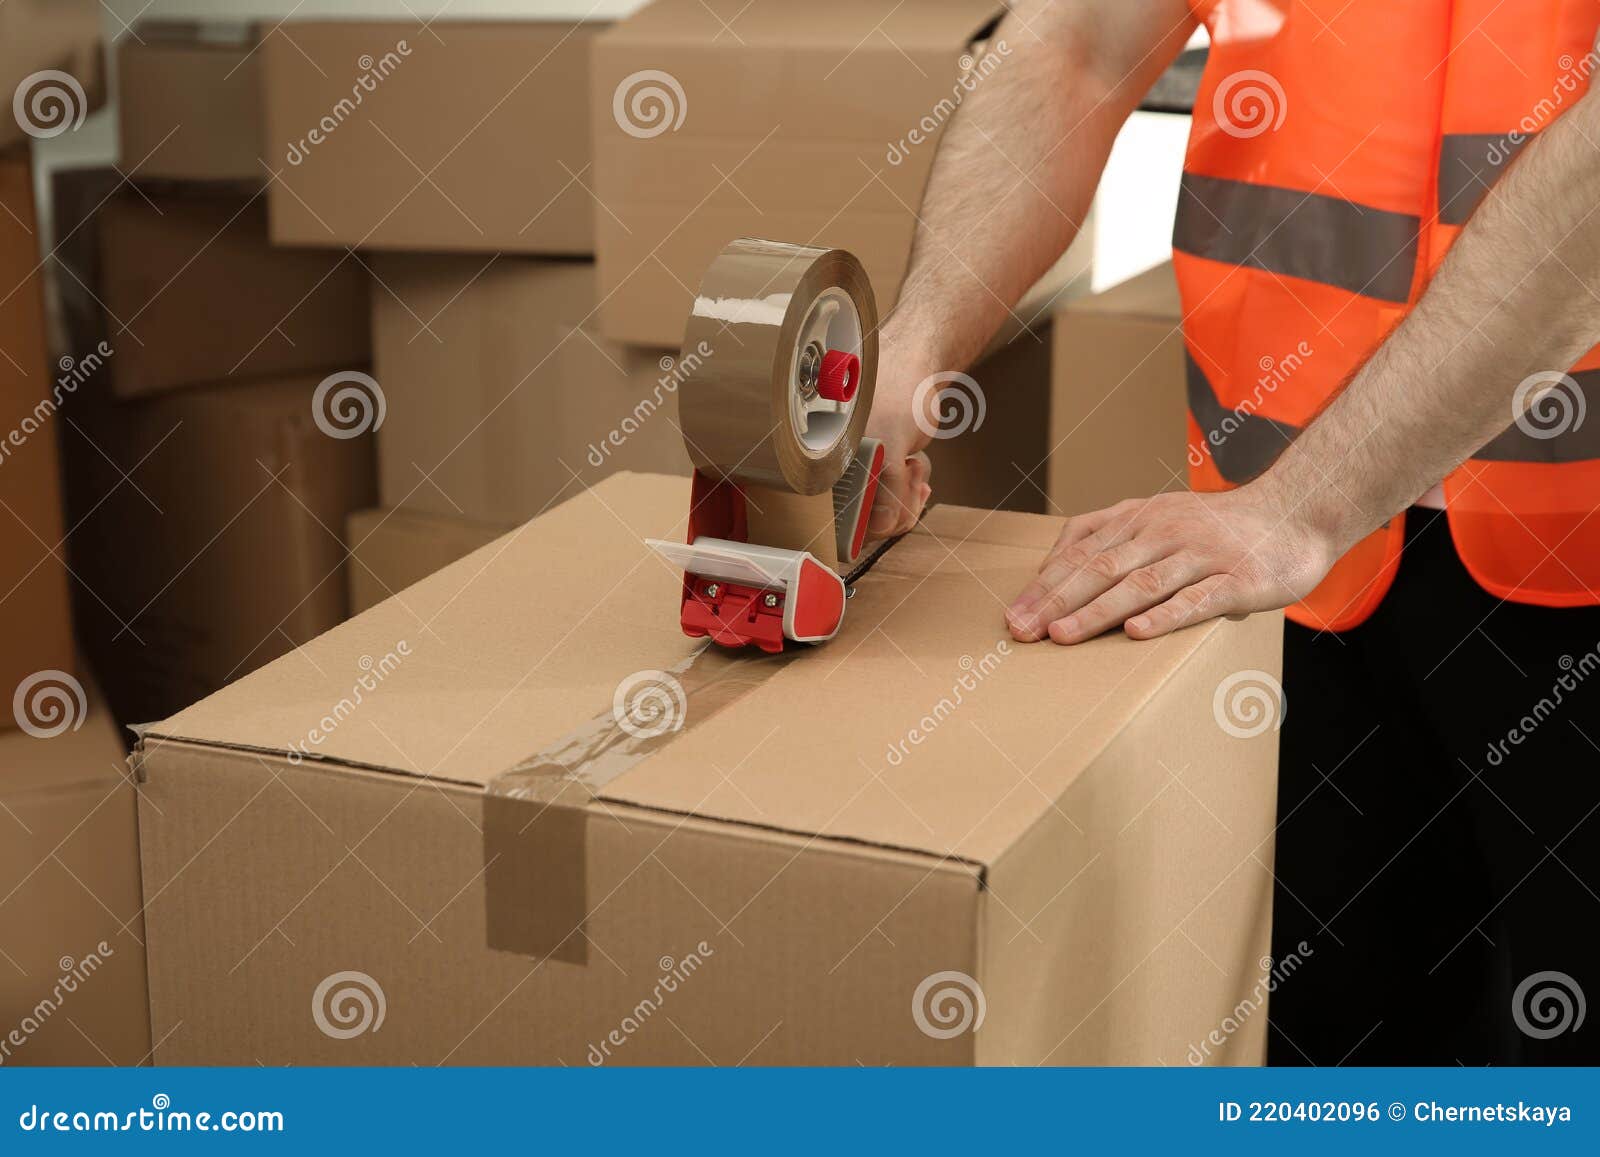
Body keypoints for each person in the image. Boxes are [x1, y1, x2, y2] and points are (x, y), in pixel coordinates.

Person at [865, 0, 1600, 1064]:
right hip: (1295, 567)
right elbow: (1076, 48)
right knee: (1323, 1014)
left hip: (1554, 544)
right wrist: (915, 344)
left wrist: (1303, 504)